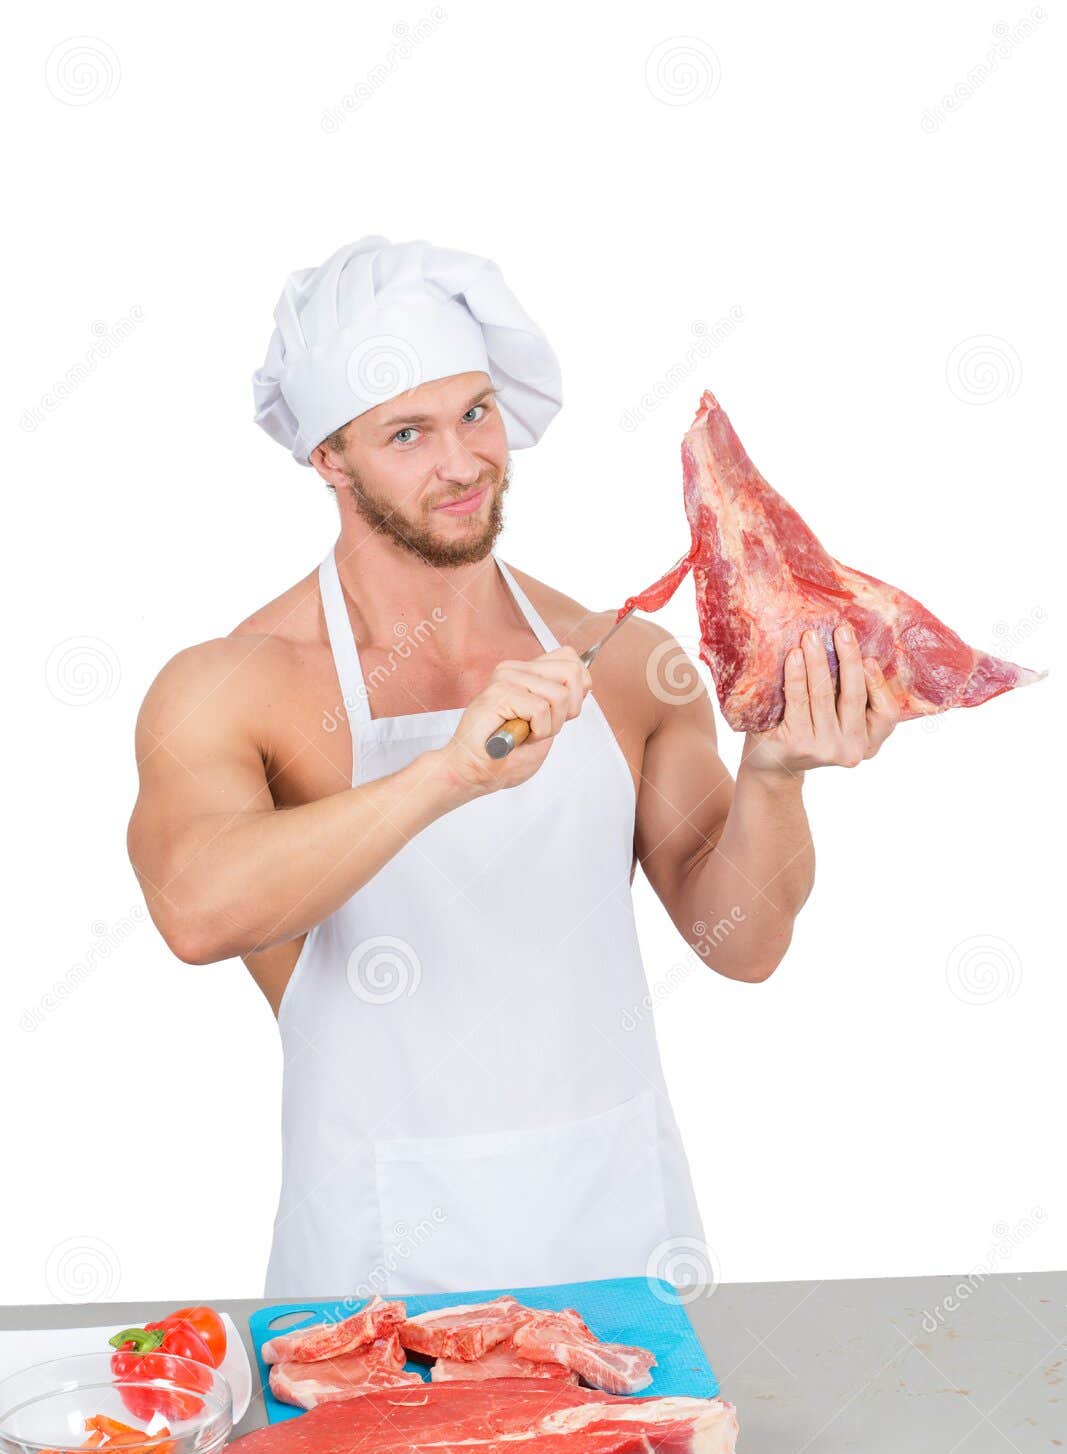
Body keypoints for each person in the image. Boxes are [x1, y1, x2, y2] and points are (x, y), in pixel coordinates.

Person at [128, 237, 898, 1297]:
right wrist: (449, 774)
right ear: (330, 458)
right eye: (407, 432)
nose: (461, 462)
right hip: (374, 1254)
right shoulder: (232, 684)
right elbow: (196, 913)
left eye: (475, 413)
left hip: (615, 1230)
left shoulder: (623, 660)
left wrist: (775, 775)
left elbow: (746, 941)